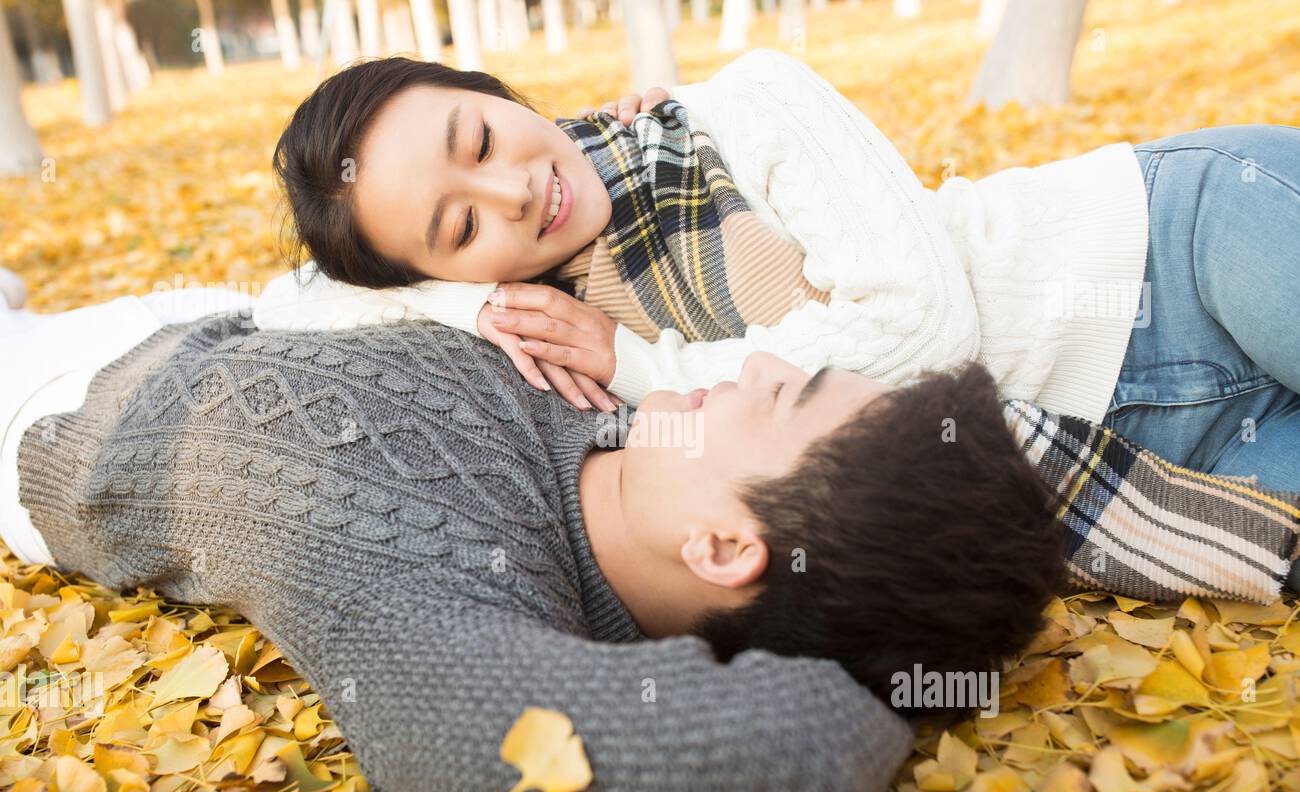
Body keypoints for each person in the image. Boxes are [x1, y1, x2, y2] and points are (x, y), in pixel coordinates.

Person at [4, 296, 1065, 792]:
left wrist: (892, 679)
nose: (754, 364)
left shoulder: (425, 590)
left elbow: (784, 772)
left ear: (724, 546)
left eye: (782, 398)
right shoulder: (623, 431)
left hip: (60, 405)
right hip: (202, 315)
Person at [258, 49, 1300, 514]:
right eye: (459, 224)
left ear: (495, 91)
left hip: (1179, 244)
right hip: (1155, 444)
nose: (513, 191)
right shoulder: (563, 326)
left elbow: (924, 331)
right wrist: (469, 298)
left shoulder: (741, 108)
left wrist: (647, 367)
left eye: (479, 135)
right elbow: (289, 310)